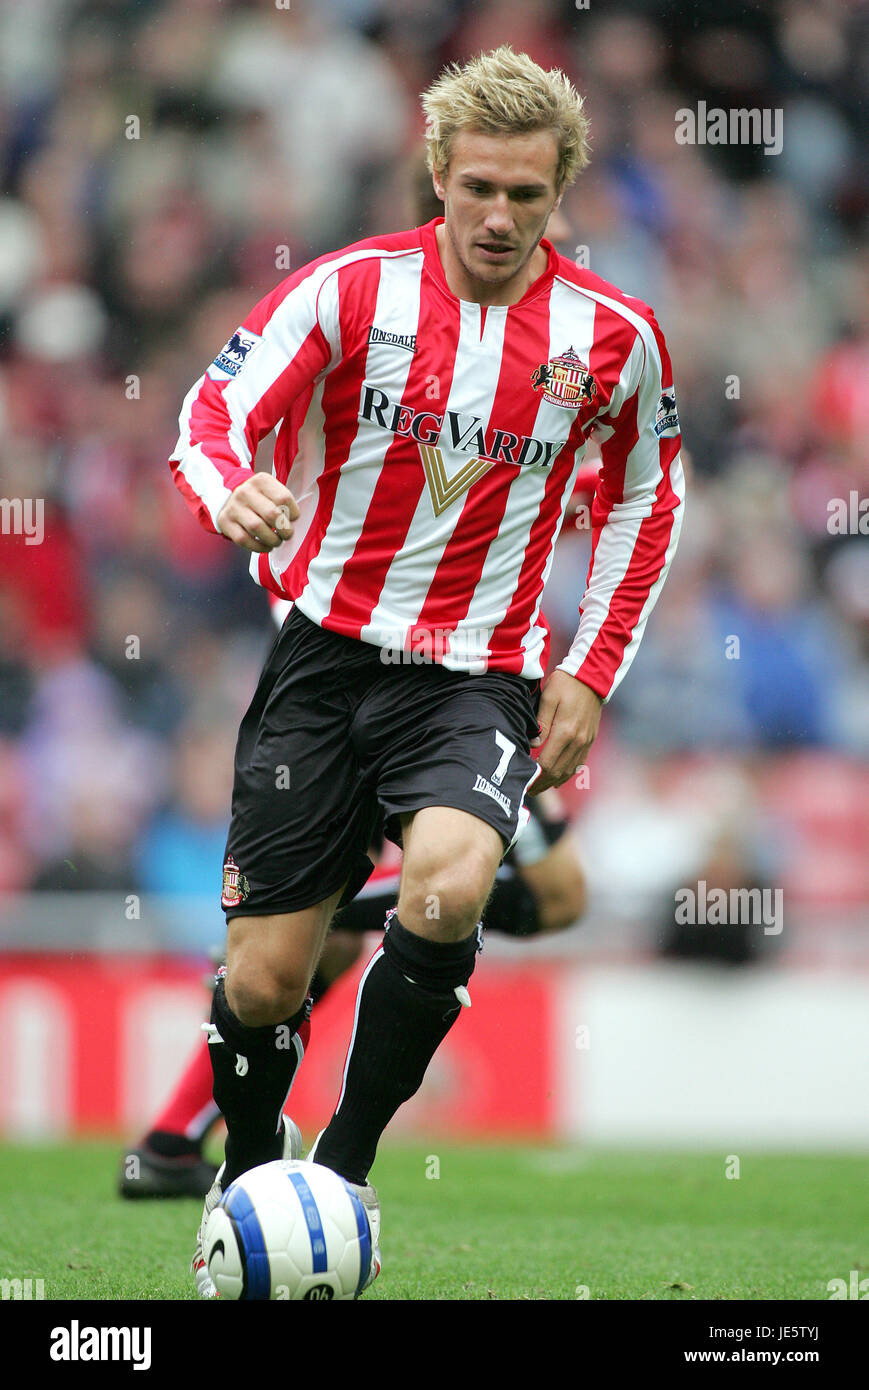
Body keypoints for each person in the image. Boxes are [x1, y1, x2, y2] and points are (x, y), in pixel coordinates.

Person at [168, 45, 685, 1297]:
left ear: (559, 185)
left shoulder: (611, 341)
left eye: (525, 193)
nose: (499, 217)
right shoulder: (347, 292)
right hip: (322, 661)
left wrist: (589, 668)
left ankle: (341, 1172)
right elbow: (209, 411)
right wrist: (227, 489)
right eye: (476, 190)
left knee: (449, 882)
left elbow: (644, 499)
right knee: (264, 978)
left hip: (479, 675)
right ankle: (252, 1174)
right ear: (436, 177)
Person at [119, 788, 586, 1199]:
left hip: (396, 708)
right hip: (453, 705)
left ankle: (171, 1142)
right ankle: (289, 918)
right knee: (556, 895)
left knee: (329, 939)